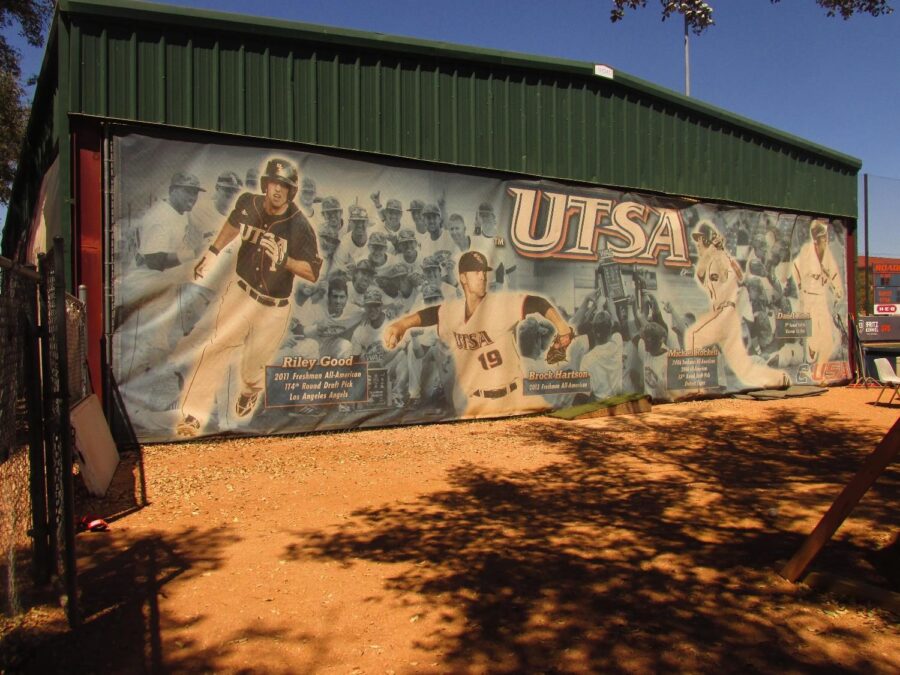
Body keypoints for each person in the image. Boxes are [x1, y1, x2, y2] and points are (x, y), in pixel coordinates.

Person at [176, 157, 322, 436]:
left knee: (253, 368)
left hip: (274, 307)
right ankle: (193, 415)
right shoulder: (249, 202)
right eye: (274, 183)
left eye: (285, 186)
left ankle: (250, 391)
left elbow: (312, 272)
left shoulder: (299, 225)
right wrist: (213, 252)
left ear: (291, 191)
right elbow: (233, 223)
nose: (278, 190)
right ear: (265, 184)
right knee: (217, 347)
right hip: (240, 293)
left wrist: (286, 261)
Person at [384, 251, 572, 418]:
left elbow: (537, 302)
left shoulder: (499, 305)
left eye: (484, 272)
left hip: (513, 396)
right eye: (476, 272)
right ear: (463, 278)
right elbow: (431, 314)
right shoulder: (453, 311)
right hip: (474, 400)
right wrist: (402, 325)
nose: (482, 276)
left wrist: (561, 326)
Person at [684, 221, 788, 389]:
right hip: (727, 317)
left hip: (726, 313)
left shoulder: (721, 259)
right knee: (742, 369)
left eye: (700, 241)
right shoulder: (711, 261)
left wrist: (719, 251)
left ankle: (697, 389)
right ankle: (778, 379)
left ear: (707, 240)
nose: (698, 245)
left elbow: (738, 277)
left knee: (692, 337)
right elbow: (700, 272)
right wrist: (712, 250)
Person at [792, 219, 844, 372]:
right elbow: (795, 268)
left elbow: (833, 272)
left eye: (826, 237)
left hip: (821, 296)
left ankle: (820, 371)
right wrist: (799, 285)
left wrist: (838, 289)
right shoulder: (806, 251)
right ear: (816, 239)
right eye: (823, 237)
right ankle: (811, 352)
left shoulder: (827, 253)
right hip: (808, 297)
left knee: (827, 335)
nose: (825, 240)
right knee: (813, 335)